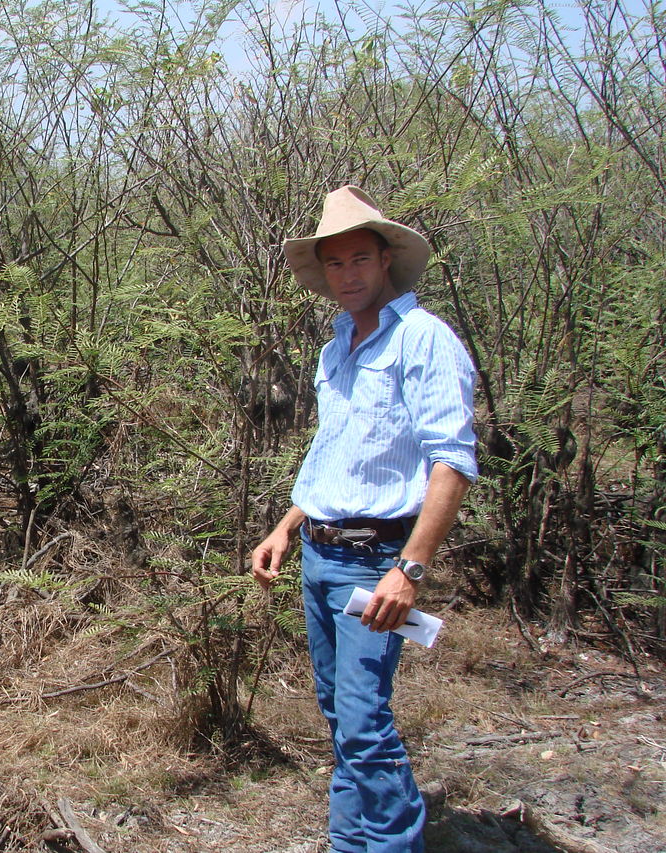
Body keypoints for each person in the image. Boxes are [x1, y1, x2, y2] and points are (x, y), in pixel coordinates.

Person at [250, 185, 478, 852]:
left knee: (363, 721)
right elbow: (341, 455)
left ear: (385, 261)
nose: (347, 275)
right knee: (340, 715)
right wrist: (287, 526)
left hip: (376, 562)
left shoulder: (423, 339)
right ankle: (352, 843)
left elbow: (452, 463)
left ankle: (391, 842)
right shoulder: (337, 348)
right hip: (320, 555)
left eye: (359, 259)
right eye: (335, 263)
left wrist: (409, 570)